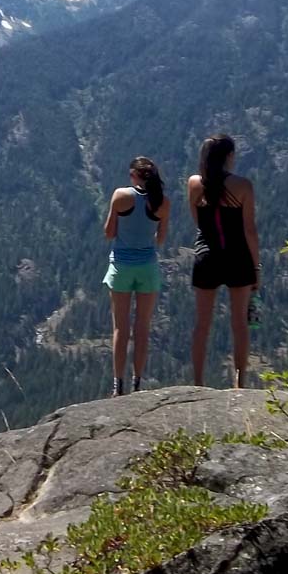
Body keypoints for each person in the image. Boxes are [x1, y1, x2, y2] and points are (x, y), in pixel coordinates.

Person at [188, 134, 261, 388]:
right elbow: (249, 230)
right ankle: (240, 383)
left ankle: (197, 382)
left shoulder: (195, 183)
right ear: (229, 156)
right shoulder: (243, 186)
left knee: (201, 324)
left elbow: (197, 221)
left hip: (206, 255)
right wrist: (256, 267)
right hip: (237, 257)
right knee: (240, 323)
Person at [103, 157, 170, 396]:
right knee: (143, 326)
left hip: (121, 265)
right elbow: (160, 240)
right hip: (147, 267)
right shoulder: (162, 203)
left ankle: (117, 384)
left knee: (121, 327)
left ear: (134, 176)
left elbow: (109, 233)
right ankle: (137, 382)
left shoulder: (121, 196)